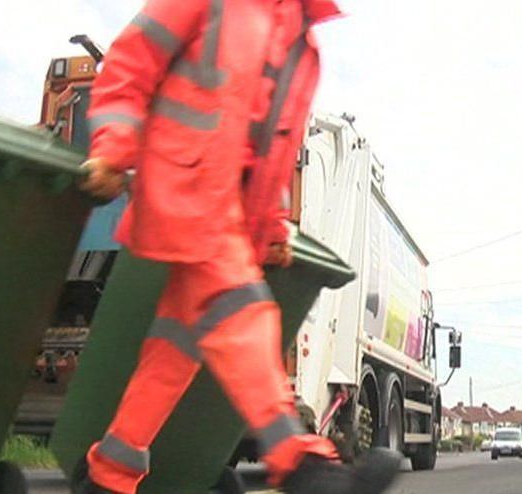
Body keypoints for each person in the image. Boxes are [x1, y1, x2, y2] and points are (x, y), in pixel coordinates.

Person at [74, 1, 401, 493]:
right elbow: (130, 63)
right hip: (182, 185)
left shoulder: (304, 42)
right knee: (242, 312)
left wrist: (271, 227)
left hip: (232, 214)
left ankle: (109, 474)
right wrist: (113, 146)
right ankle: (301, 462)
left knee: (173, 351)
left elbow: (279, 145)